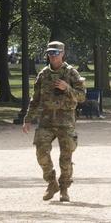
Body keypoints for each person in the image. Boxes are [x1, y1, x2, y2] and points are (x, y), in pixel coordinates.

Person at [22, 41, 87, 201]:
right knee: (41, 153)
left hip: (65, 122)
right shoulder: (43, 74)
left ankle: (64, 188)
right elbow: (35, 99)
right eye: (50, 53)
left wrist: (68, 88)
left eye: (56, 53)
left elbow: (82, 96)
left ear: (63, 54)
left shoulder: (72, 73)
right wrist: (28, 118)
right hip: (46, 121)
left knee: (66, 157)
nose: (52, 56)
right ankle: (51, 183)